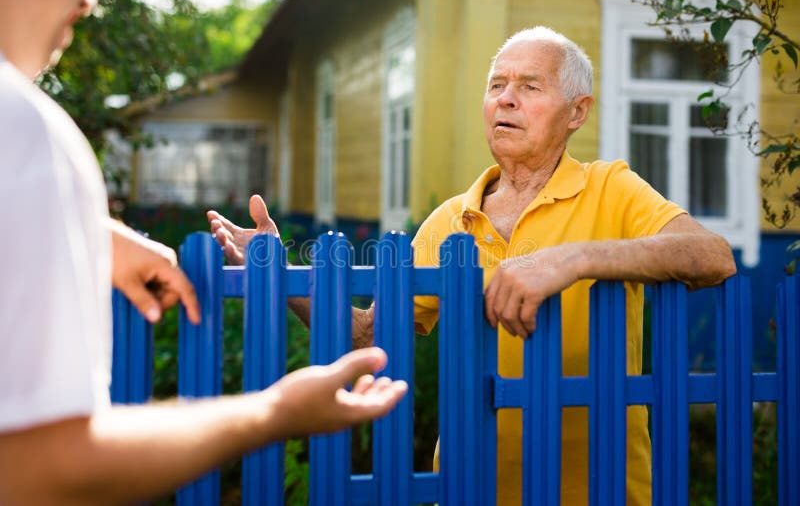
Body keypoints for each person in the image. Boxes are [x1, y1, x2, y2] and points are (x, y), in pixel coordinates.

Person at [207, 27, 736, 504]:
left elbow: (712, 257)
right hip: (470, 488)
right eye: (496, 85)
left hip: (600, 491)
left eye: (530, 86)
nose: (506, 98)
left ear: (577, 112)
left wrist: (575, 258)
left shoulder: (611, 188)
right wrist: (278, 275)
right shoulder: (449, 221)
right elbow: (367, 338)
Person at [0, 0, 407, 504]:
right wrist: (274, 412)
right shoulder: (23, 131)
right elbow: (42, 467)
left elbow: (366, 332)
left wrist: (90, 235)